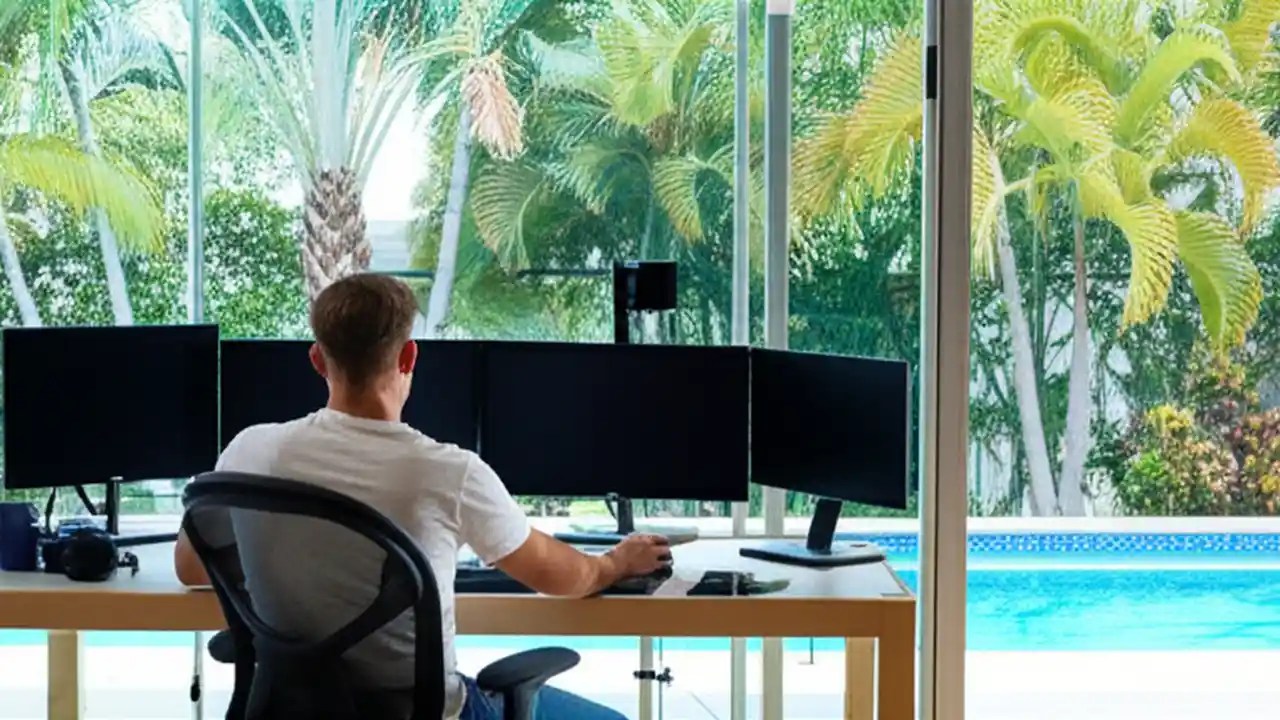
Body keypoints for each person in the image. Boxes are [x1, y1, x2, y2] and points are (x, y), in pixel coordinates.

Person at [174, 273, 669, 720]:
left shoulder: (248, 450)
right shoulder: (449, 473)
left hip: (290, 708)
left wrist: (295, 568)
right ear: (409, 356)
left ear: (317, 358)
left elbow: (193, 568)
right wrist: (616, 563)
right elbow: (565, 578)